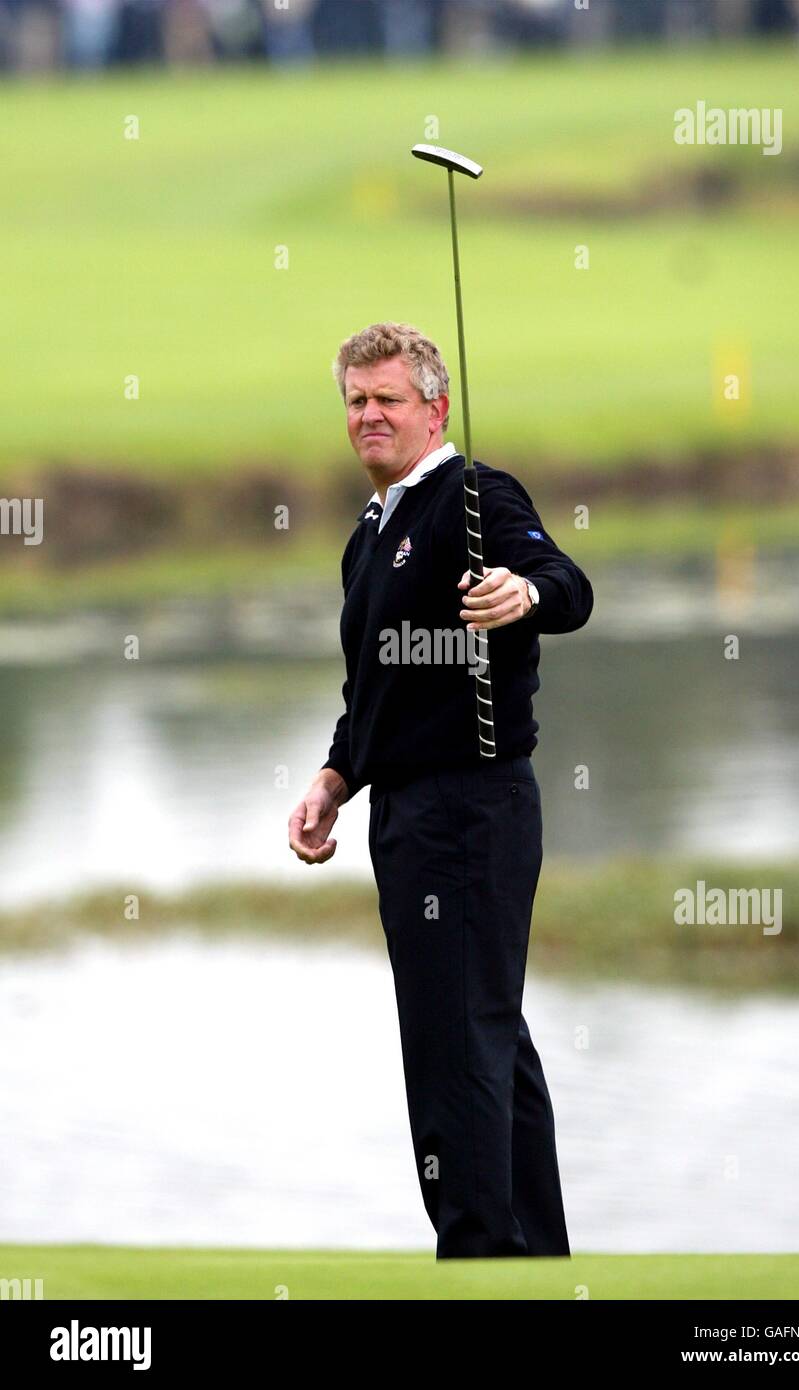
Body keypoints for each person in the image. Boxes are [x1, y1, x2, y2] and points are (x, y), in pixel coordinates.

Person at [289, 321, 593, 1259]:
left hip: (474, 803)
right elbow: (373, 692)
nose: (369, 415)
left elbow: (565, 583)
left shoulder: (474, 495)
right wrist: (337, 779)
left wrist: (521, 594)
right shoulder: (370, 534)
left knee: (454, 1041)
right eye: (356, 400)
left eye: (387, 398)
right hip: (407, 813)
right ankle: (532, 1258)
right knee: (485, 1034)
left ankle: (478, 1259)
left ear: (436, 407)